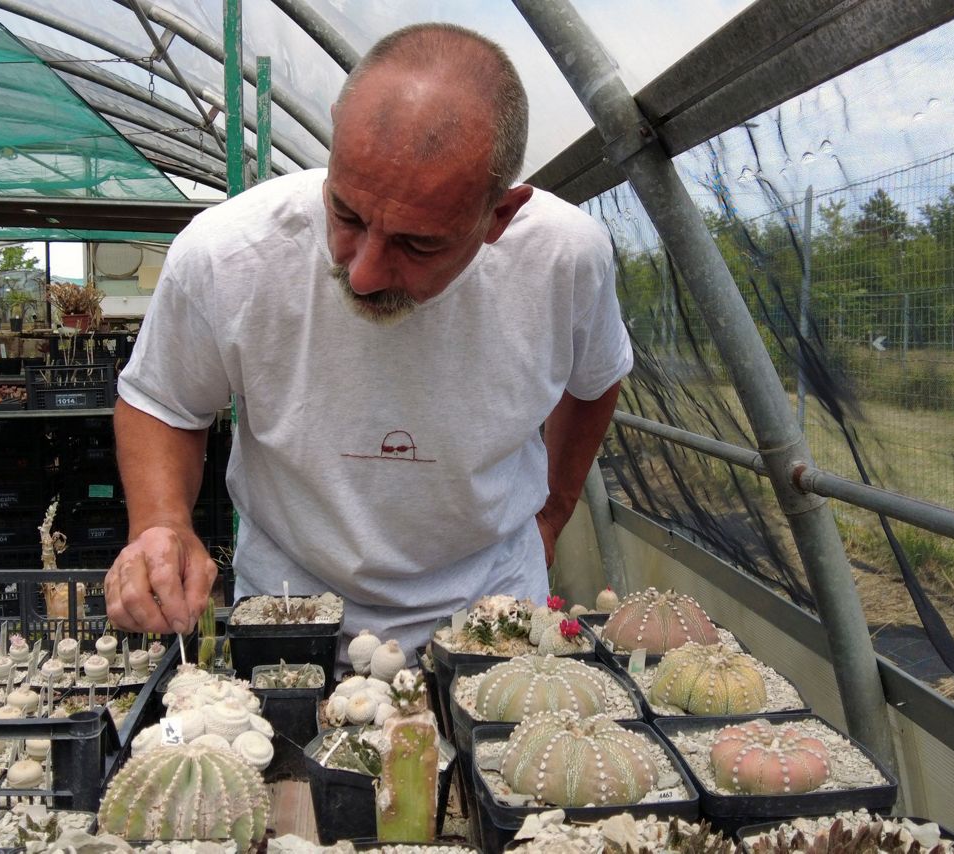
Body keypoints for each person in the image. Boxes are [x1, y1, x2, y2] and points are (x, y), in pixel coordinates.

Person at [105, 22, 632, 656]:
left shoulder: (563, 260)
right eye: (347, 215)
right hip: (289, 603)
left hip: (492, 603)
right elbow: (163, 401)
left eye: (417, 243)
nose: (363, 271)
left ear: (499, 217)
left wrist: (552, 513)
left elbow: (596, 380)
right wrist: (162, 523)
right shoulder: (228, 252)